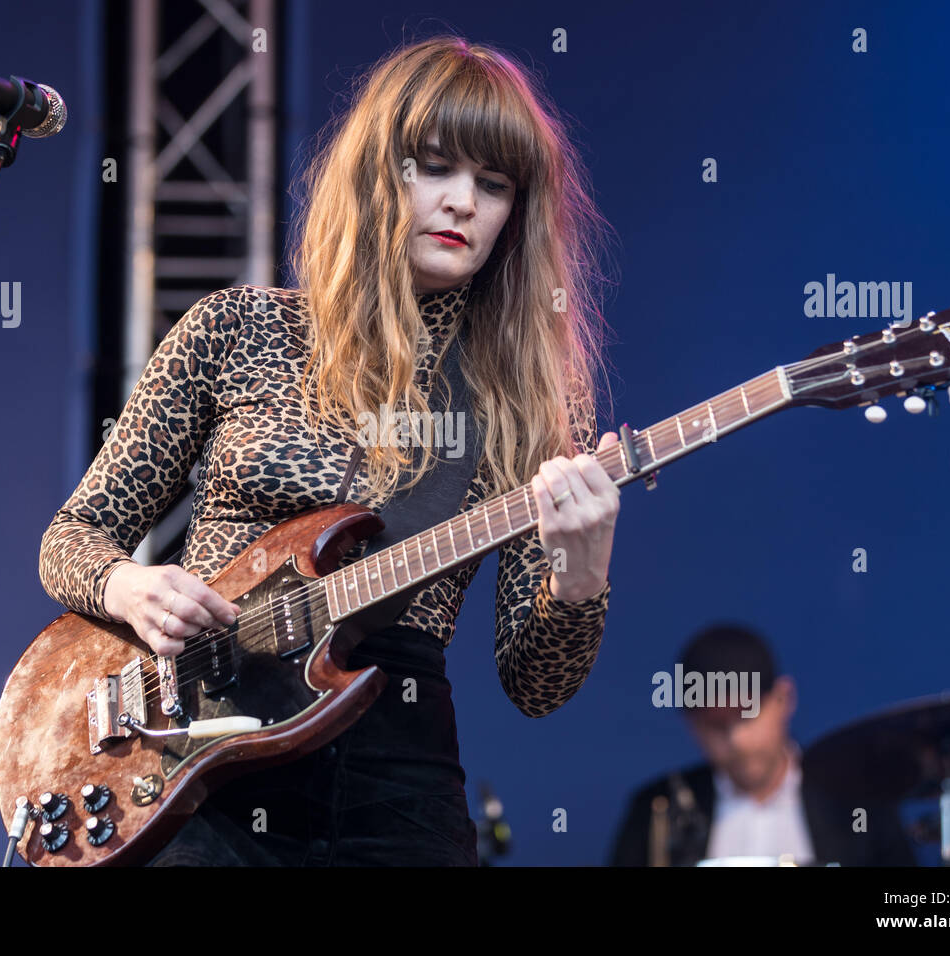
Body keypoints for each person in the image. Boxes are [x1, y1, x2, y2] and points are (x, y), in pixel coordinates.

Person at [38, 35, 622, 866]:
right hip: (199, 752)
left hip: (394, 778)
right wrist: (132, 586)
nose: (462, 202)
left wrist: (583, 574)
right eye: (435, 166)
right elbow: (72, 538)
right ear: (379, 172)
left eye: (493, 185)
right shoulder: (236, 330)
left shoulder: (527, 400)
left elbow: (537, 686)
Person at [607, 624, 915, 866]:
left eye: (745, 716)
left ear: (783, 699)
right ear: (691, 723)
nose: (735, 740)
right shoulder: (656, 809)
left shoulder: (856, 799)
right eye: (715, 725)